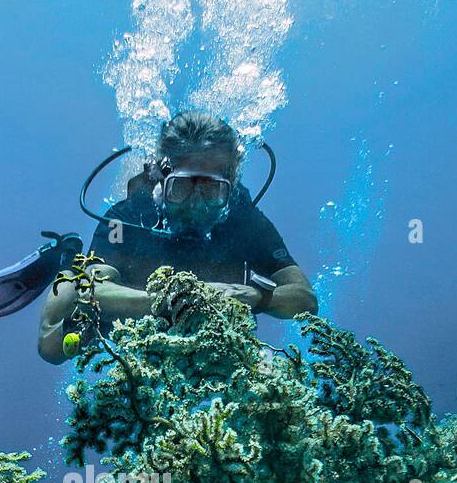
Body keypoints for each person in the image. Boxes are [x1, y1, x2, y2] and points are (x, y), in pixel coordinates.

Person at [38, 110, 317, 365]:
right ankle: (66, 259)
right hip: (130, 322)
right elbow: (93, 290)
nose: (196, 205)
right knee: (52, 347)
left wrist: (255, 297)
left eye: (210, 189)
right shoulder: (127, 217)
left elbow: (304, 297)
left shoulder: (246, 220)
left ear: (230, 184)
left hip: (208, 346)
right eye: (182, 188)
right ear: (162, 180)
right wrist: (177, 301)